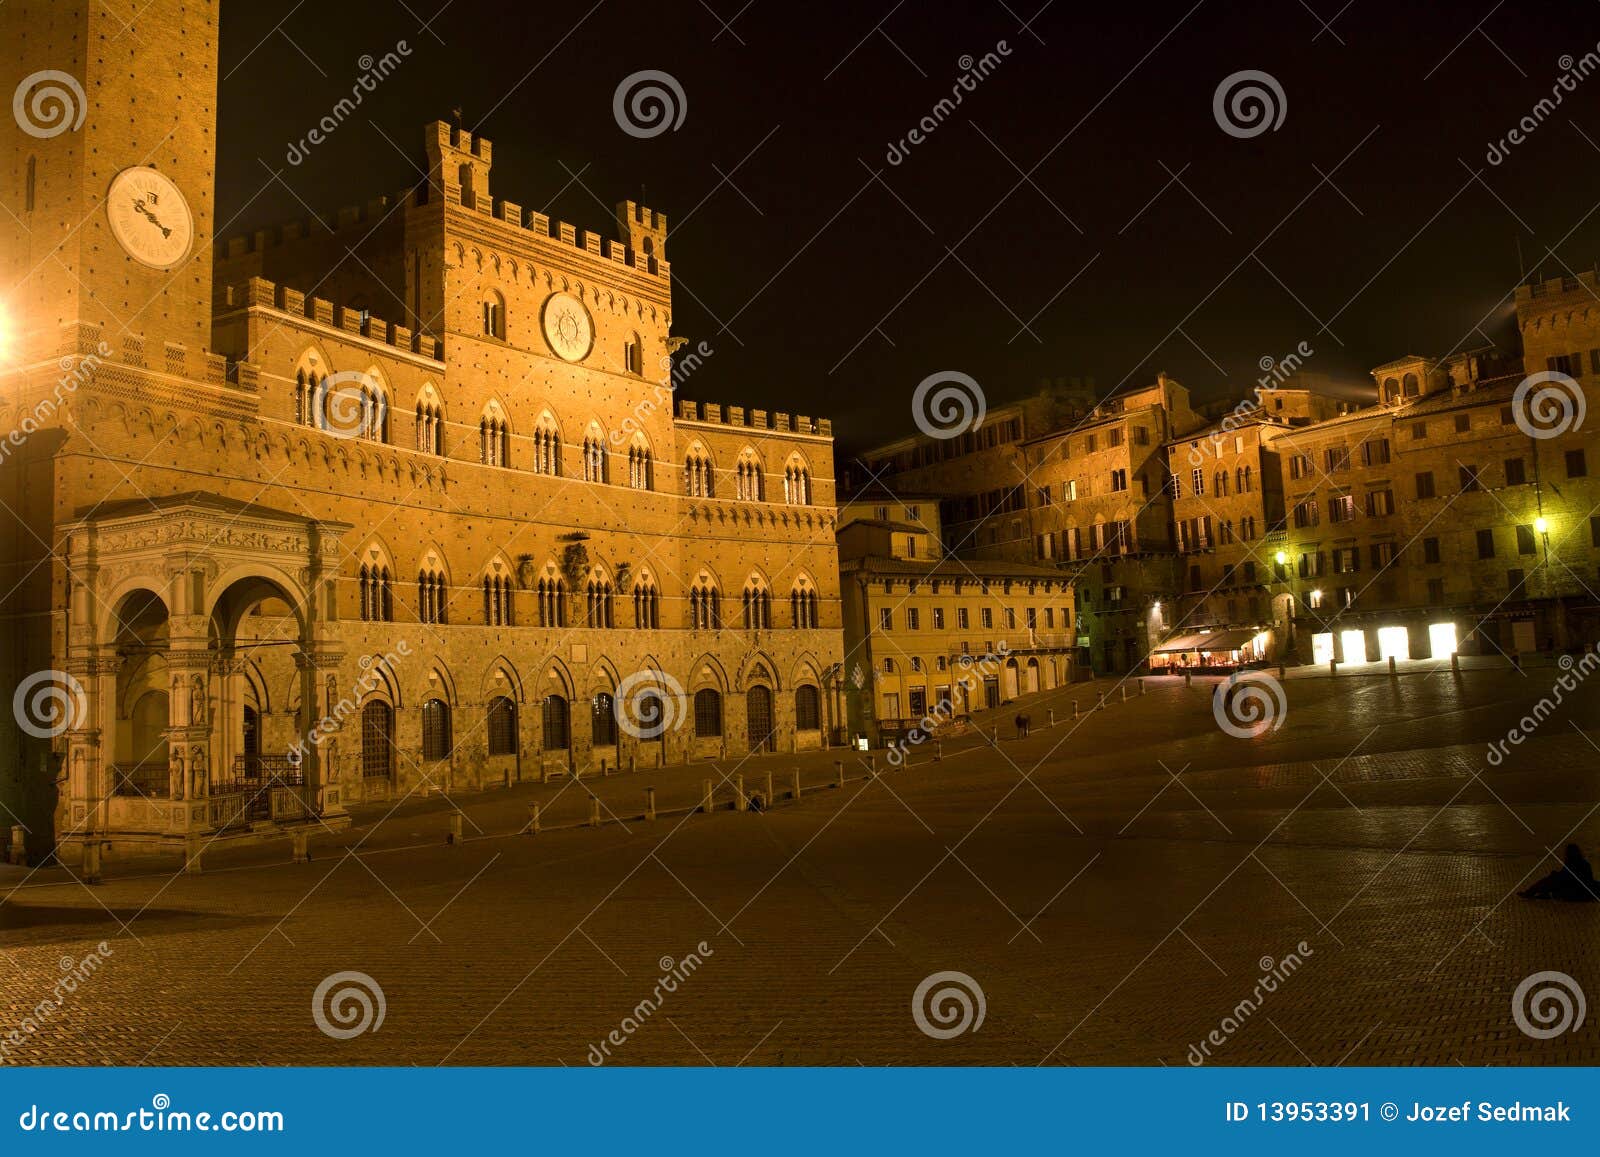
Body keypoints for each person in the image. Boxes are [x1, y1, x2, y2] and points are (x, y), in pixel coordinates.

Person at [1520, 844, 1598, 902]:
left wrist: (1555, 875)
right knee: (1551, 881)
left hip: (1575, 891)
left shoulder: (1571, 864)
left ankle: (1531, 892)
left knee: (1550, 881)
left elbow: (1565, 877)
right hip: (1583, 890)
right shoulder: (1585, 864)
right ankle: (1534, 892)